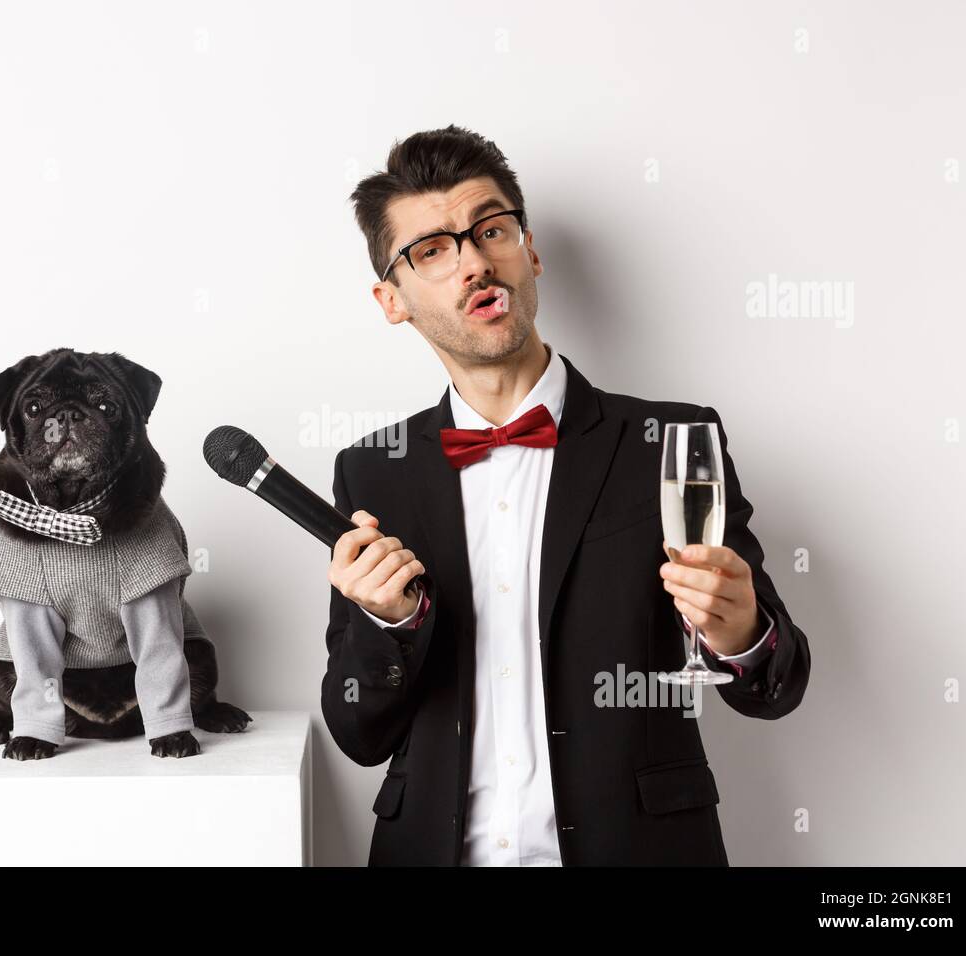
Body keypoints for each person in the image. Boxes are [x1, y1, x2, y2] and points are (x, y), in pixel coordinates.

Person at [321, 125, 810, 866]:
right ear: (392, 300)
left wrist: (741, 632)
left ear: (531, 251)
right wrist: (384, 625)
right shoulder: (371, 471)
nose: (476, 262)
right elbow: (359, 736)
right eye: (433, 250)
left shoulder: (672, 440)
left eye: (492, 230)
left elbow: (775, 688)